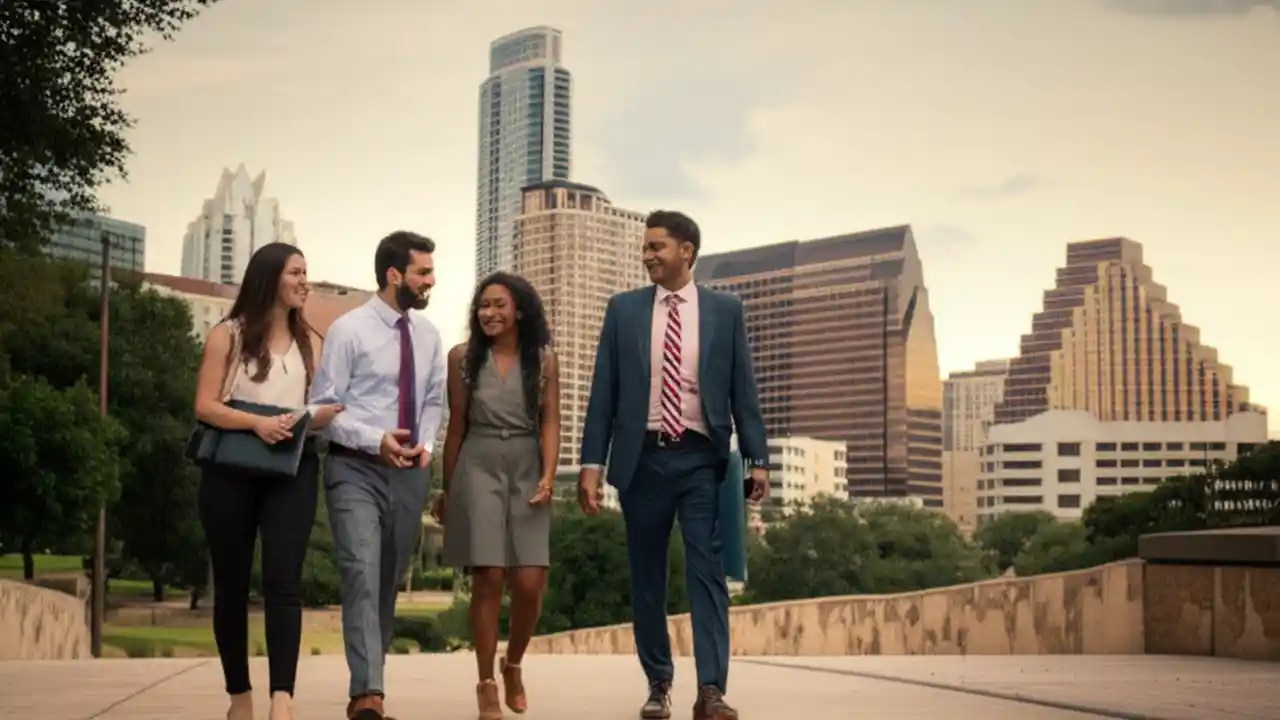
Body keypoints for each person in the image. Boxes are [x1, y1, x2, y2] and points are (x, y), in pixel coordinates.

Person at [578, 210, 770, 720]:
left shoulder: (725, 311)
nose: (647, 255)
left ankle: (711, 690)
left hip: (701, 459)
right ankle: (658, 683)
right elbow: (603, 393)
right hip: (641, 460)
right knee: (647, 576)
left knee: (708, 573)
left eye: (656, 246)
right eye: (645, 247)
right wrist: (591, 464)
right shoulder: (624, 310)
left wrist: (758, 460)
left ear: (687, 251)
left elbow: (743, 391)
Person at [192, 242, 345, 720]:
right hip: (230, 471)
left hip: (292, 471)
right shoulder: (228, 335)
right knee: (232, 586)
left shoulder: (312, 342)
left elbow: (314, 407)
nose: (304, 281)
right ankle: (240, 699)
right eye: (295, 272)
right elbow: (205, 406)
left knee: (284, 583)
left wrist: (317, 417)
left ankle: (283, 701)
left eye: (306, 272)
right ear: (269, 277)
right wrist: (257, 423)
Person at [308, 231, 446, 720]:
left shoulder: (429, 336)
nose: (432, 280)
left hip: (410, 474)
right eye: (423, 272)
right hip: (354, 468)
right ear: (394, 275)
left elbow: (434, 400)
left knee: (386, 582)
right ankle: (367, 693)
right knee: (361, 572)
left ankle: (372, 680)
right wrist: (375, 440)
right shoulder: (348, 331)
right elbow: (323, 408)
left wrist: (425, 445)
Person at [435, 271, 560, 719]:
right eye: (483, 305)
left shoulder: (543, 360)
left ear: (519, 311)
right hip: (478, 462)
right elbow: (457, 424)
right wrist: (448, 488)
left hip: (527, 463)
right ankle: (486, 683)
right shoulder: (462, 358)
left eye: (499, 305)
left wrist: (549, 474)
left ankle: (514, 664)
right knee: (488, 575)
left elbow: (550, 420)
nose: (489, 313)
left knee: (530, 581)